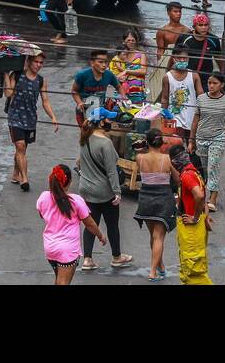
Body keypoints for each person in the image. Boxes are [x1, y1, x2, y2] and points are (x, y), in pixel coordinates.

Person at [77, 117, 133, 270]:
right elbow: (111, 171)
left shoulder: (84, 137)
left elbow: (80, 162)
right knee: (112, 224)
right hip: (104, 191)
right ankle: (116, 257)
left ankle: (87, 259)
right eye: (109, 119)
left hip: (86, 189)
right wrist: (117, 191)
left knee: (90, 223)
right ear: (101, 123)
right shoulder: (105, 143)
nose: (111, 122)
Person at [36, 164, 104, 285]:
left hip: (50, 248)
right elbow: (90, 224)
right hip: (67, 250)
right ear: (69, 181)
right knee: (63, 282)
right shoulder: (76, 201)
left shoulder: (44, 197)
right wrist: (100, 236)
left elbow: (42, 214)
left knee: (59, 280)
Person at [5, 50, 59, 192]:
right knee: (21, 146)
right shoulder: (16, 75)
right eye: (36, 61)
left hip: (30, 119)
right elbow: (8, 93)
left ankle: (16, 173)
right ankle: (24, 179)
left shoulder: (41, 81)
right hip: (15, 116)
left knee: (22, 148)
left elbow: (45, 101)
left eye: (41, 63)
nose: (38, 65)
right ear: (28, 62)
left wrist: (53, 117)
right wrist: (5, 74)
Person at [190, 72, 225, 211]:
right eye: (209, 83)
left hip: (217, 138)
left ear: (222, 85)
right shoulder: (201, 99)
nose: (211, 86)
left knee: (213, 167)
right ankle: (205, 195)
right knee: (205, 170)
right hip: (201, 139)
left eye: (215, 83)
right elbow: (195, 120)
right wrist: (191, 140)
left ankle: (212, 199)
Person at [132, 130, 178, 281]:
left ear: (148, 142)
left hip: (145, 199)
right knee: (158, 236)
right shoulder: (167, 158)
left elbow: (138, 150)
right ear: (161, 142)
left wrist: (143, 146)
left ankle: (161, 265)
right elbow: (177, 180)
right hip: (163, 199)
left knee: (153, 235)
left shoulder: (140, 158)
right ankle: (153, 272)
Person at [171, 143, 213, 284]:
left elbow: (200, 196)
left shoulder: (188, 176)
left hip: (191, 230)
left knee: (194, 271)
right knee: (187, 269)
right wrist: (205, 216)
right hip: (192, 228)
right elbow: (203, 197)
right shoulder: (194, 172)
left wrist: (195, 218)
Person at [71, 50, 120, 126]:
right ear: (92, 63)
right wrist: (79, 102)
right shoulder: (82, 75)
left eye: (106, 62)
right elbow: (74, 91)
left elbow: (118, 87)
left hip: (100, 110)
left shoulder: (109, 75)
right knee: (85, 133)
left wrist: (124, 99)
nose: (104, 65)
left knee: (98, 131)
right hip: (83, 110)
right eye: (100, 62)